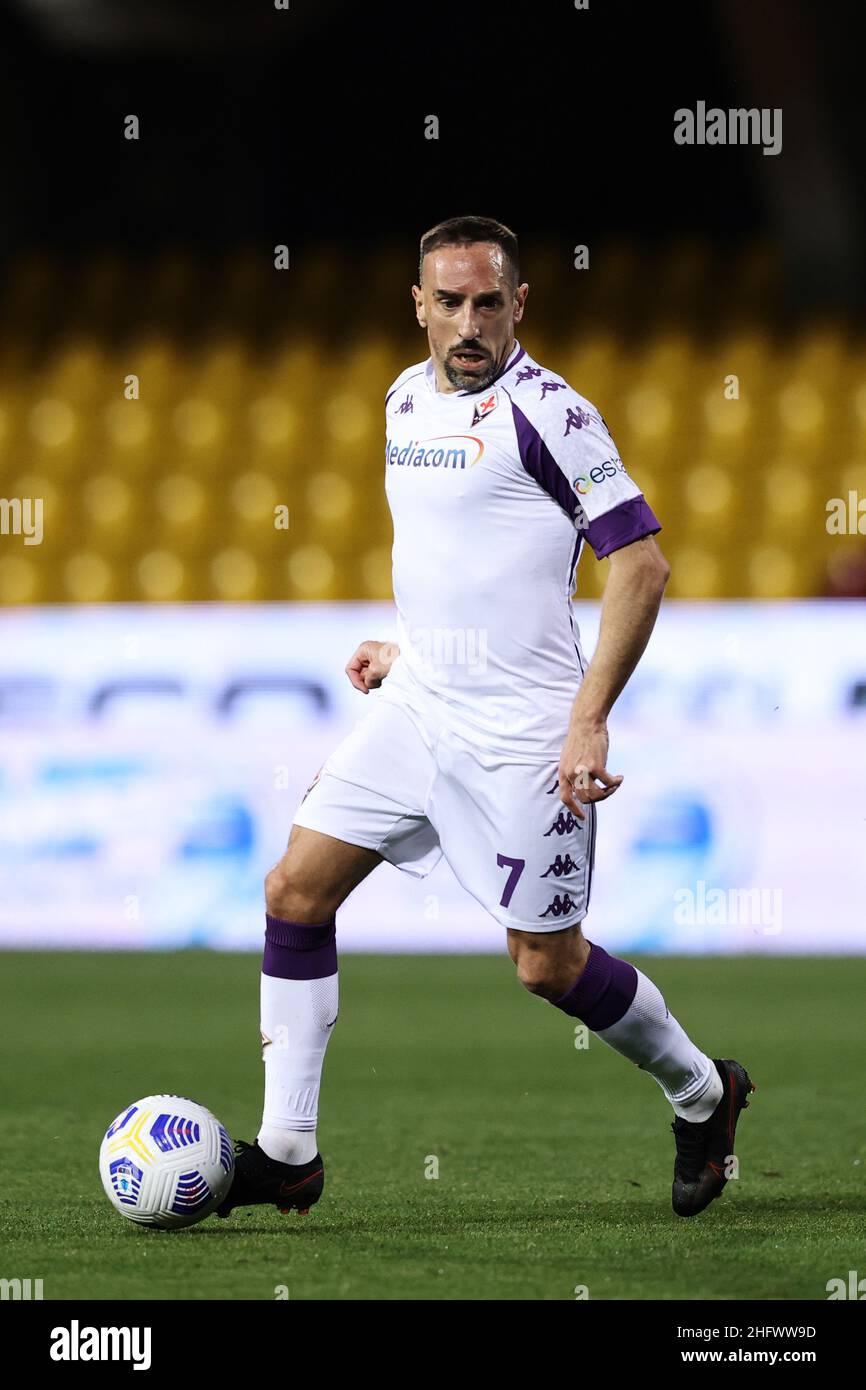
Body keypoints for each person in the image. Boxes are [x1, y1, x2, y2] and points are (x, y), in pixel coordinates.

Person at [218, 215, 754, 1223]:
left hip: (522, 734)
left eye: (488, 301)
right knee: (293, 891)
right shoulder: (402, 396)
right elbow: (454, 555)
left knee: (544, 965)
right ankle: (289, 1153)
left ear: (519, 304)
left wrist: (587, 722)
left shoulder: (549, 414)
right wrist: (407, 647)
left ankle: (701, 1090)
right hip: (418, 708)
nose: (469, 322)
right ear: (416, 305)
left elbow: (639, 566)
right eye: (449, 301)